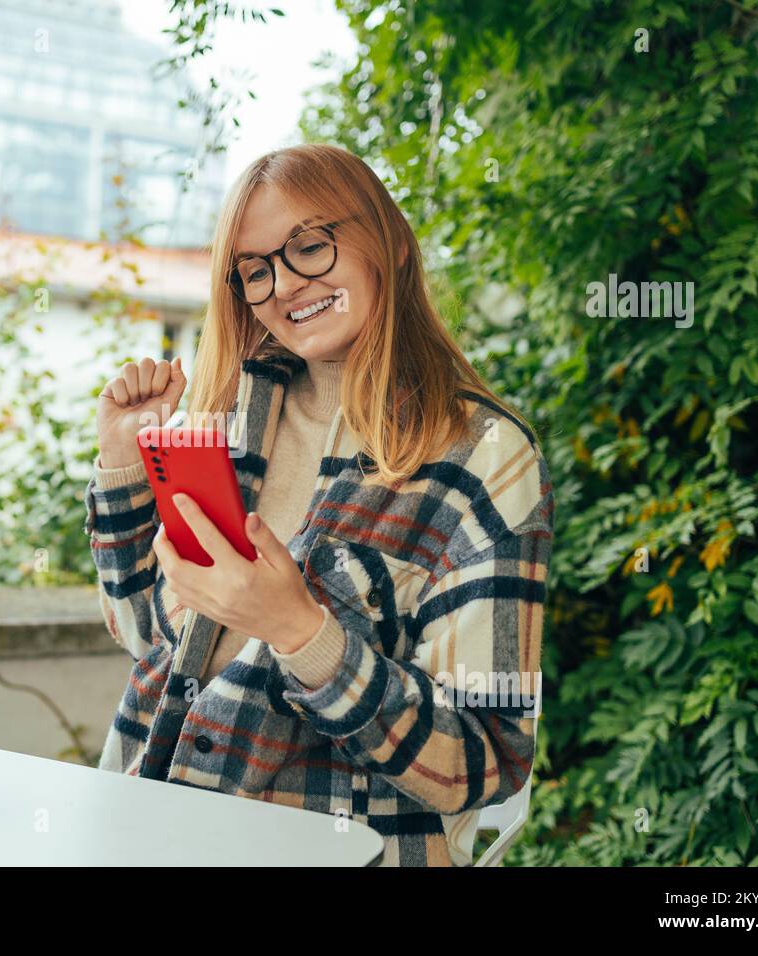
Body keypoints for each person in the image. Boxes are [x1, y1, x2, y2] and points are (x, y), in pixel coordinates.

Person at [83, 143, 554, 866]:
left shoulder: (484, 455)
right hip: (155, 826)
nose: (283, 284)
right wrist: (121, 466)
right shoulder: (226, 423)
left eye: (309, 245)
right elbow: (146, 637)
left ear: (390, 242)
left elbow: (484, 761)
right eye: (255, 269)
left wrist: (303, 633)